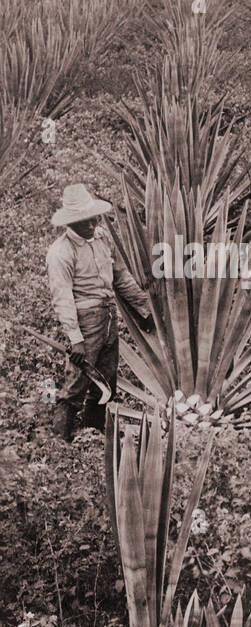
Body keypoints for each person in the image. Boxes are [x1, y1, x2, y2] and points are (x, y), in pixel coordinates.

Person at [45, 183, 154, 440]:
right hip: (84, 322)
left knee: (106, 381)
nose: (91, 224)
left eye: (93, 217)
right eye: (84, 220)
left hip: (108, 317)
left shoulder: (103, 237)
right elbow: (62, 299)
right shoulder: (61, 252)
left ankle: (93, 433)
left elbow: (120, 277)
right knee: (76, 384)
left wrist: (144, 306)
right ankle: (59, 444)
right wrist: (76, 340)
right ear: (70, 222)